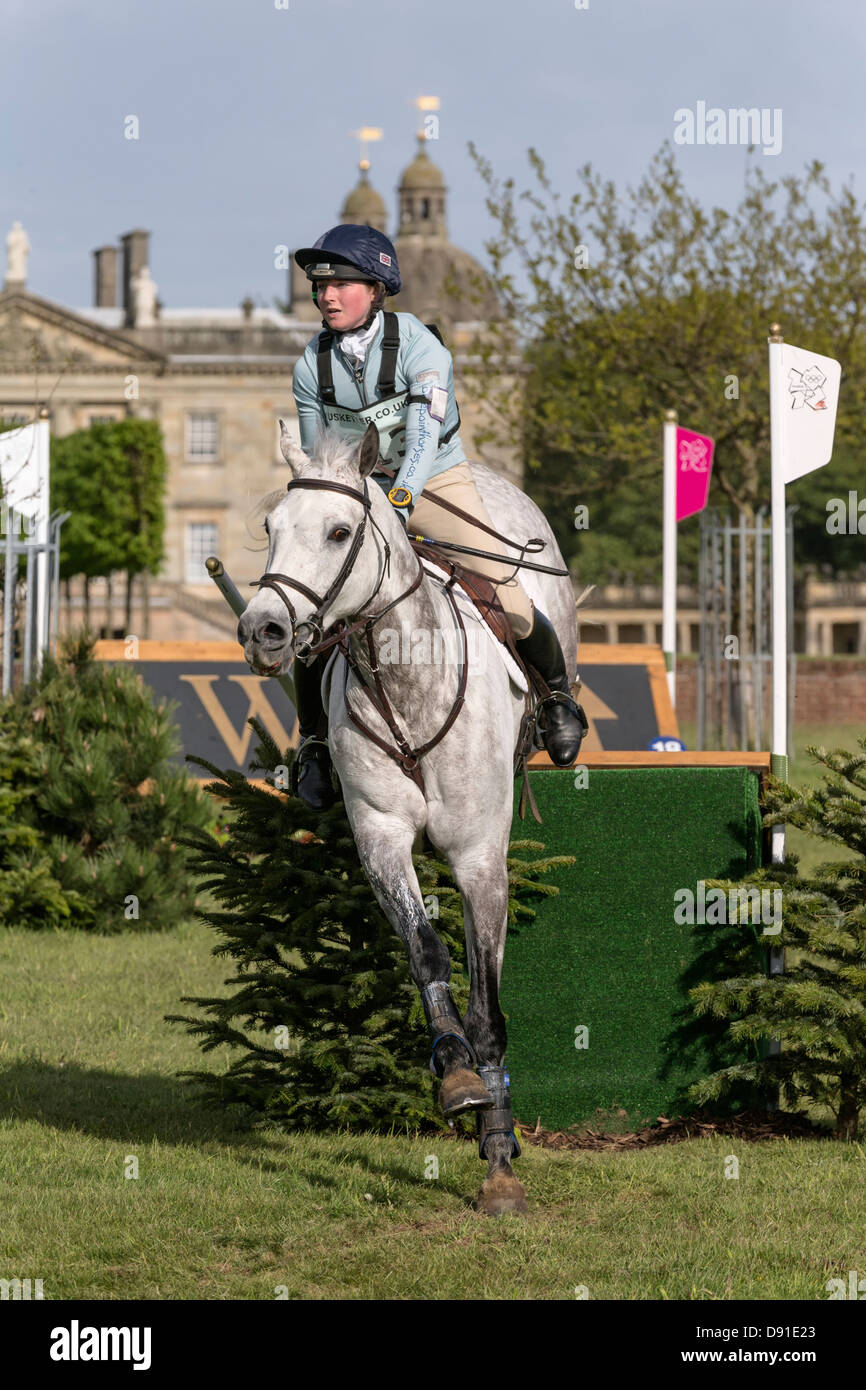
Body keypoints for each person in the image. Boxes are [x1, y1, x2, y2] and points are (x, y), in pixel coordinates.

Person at [290, 223, 587, 808]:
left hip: (434, 480)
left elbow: (424, 436)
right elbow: (318, 459)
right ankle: (315, 743)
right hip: (361, 487)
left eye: (341, 283)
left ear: (376, 289)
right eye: (320, 285)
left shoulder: (424, 350)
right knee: (312, 612)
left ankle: (557, 697)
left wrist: (400, 502)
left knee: (506, 592)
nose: (326, 295)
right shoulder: (310, 365)